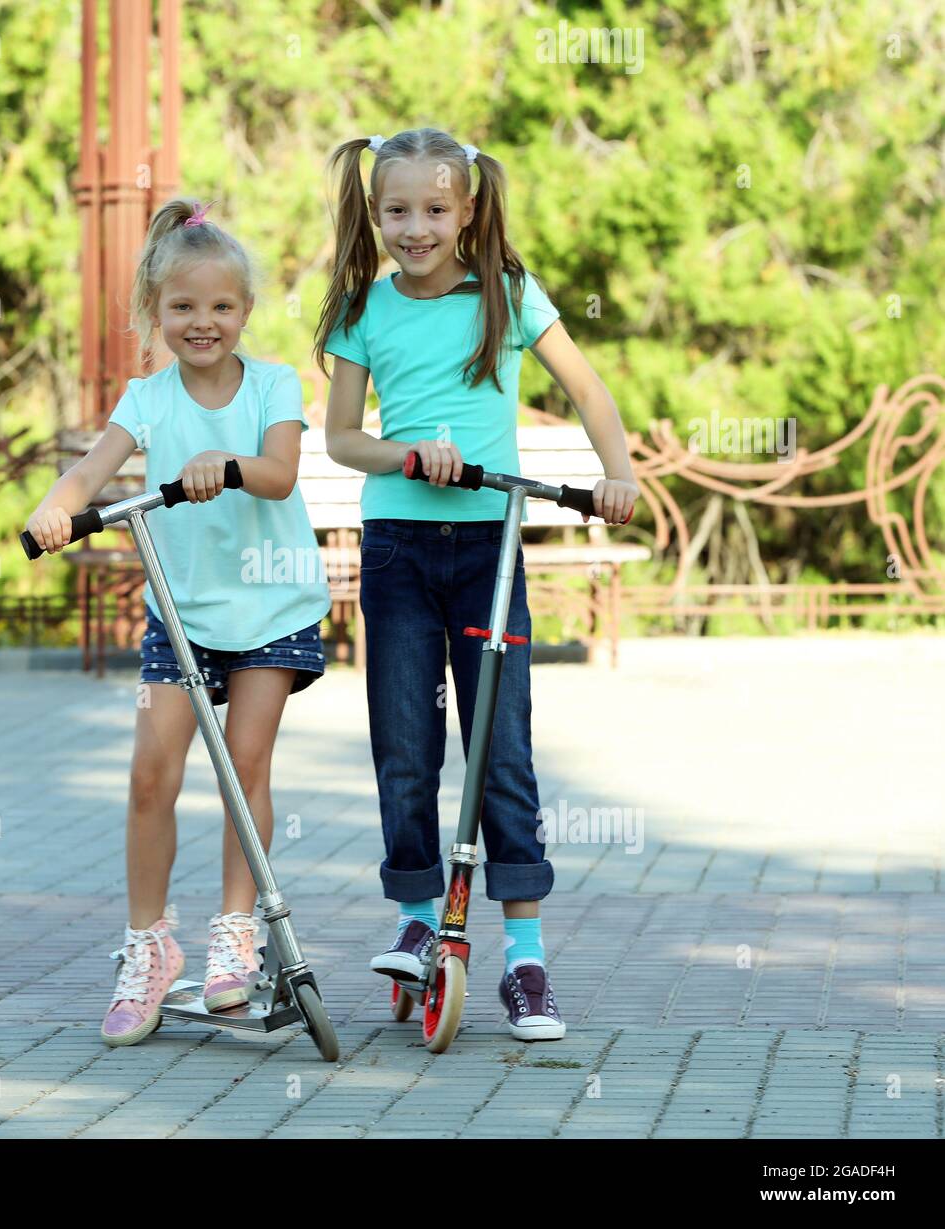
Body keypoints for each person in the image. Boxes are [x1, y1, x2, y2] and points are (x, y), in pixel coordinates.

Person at [315, 128, 639, 1041]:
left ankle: (525, 959)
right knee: (406, 744)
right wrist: (409, 454)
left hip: (490, 547)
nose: (414, 227)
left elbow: (589, 390)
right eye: (396, 211)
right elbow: (342, 437)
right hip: (398, 549)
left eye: (433, 209)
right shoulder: (362, 309)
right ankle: (418, 921)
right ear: (375, 213)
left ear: (468, 209)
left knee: (501, 750)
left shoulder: (507, 295)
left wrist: (618, 473)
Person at [27, 198, 331, 1045]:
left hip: (270, 606)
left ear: (246, 311)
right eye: (184, 308)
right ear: (155, 313)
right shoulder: (148, 398)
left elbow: (276, 474)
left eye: (222, 307)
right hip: (183, 614)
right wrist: (58, 506)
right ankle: (149, 947)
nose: (204, 323)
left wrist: (223, 464)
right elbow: (92, 470)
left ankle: (236, 937)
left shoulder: (273, 384)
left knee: (243, 769)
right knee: (149, 777)